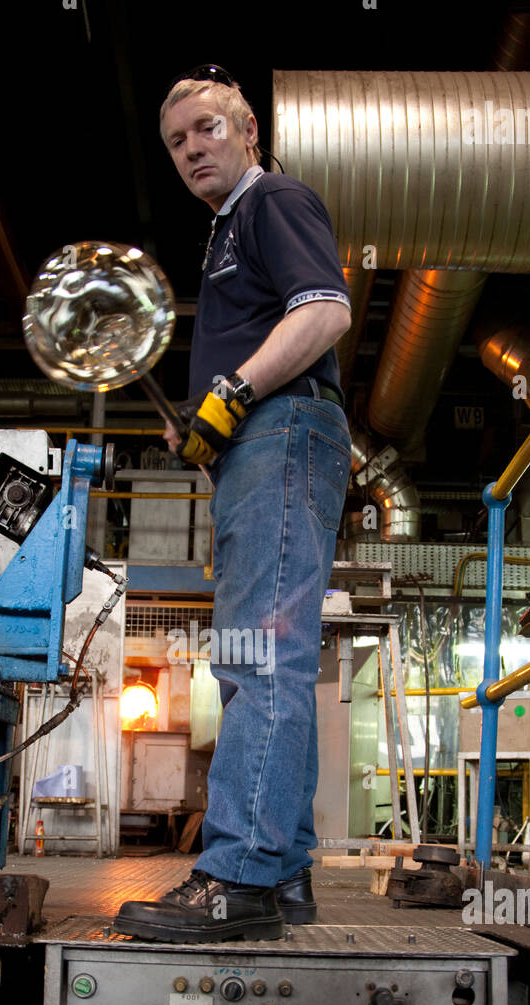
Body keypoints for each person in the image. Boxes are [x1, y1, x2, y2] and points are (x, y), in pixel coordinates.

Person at [114, 65, 351, 944]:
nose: (191, 150)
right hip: (269, 442)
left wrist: (235, 394)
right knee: (268, 656)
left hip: (284, 434)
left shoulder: (271, 201)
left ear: (248, 129)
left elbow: (325, 312)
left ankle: (238, 877)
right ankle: (282, 874)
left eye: (207, 129)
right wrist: (210, 424)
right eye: (177, 142)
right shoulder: (225, 235)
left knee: (259, 659)